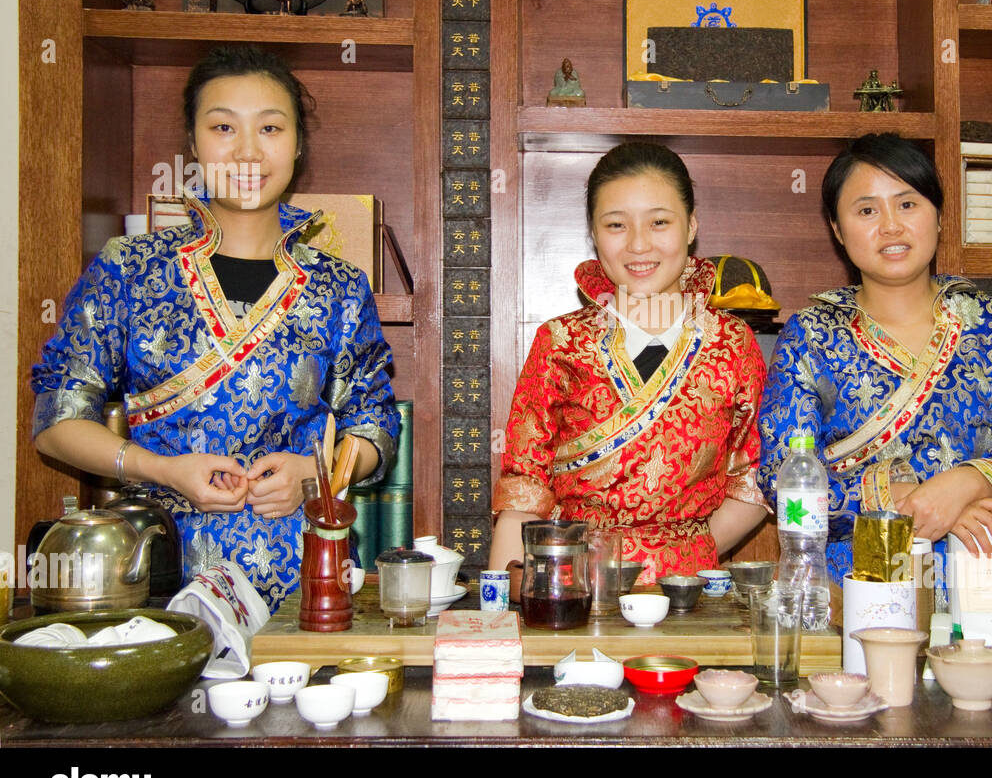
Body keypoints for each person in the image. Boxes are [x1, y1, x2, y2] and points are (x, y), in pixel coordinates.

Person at [31, 44, 400, 613]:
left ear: (298, 146)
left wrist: (313, 472)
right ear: (193, 144)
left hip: (305, 582)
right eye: (224, 126)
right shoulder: (129, 267)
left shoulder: (337, 286)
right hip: (155, 575)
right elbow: (56, 420)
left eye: (270, 128)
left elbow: (375, 425)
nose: (248, 150)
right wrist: (162, 469)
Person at [759, 134, 992, 586]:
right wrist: (911, 501)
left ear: (940, 216)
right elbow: (784, 486)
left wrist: (965, 485)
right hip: (855, 585)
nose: (891, 227)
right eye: (866, 211)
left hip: (983, 580)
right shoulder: (813, 333)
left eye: (907, 205)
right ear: (838, 231)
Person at [489, 143, 768, 583]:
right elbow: (524, 490)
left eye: (659, 222)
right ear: (594, 234)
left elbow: (751, 481)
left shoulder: (732, 343)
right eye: (617, 225)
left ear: (691, 226)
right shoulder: (561, 340)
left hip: (687, 595)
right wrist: (499, 620)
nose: (639, 244)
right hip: (574, 588)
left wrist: (681, 557)